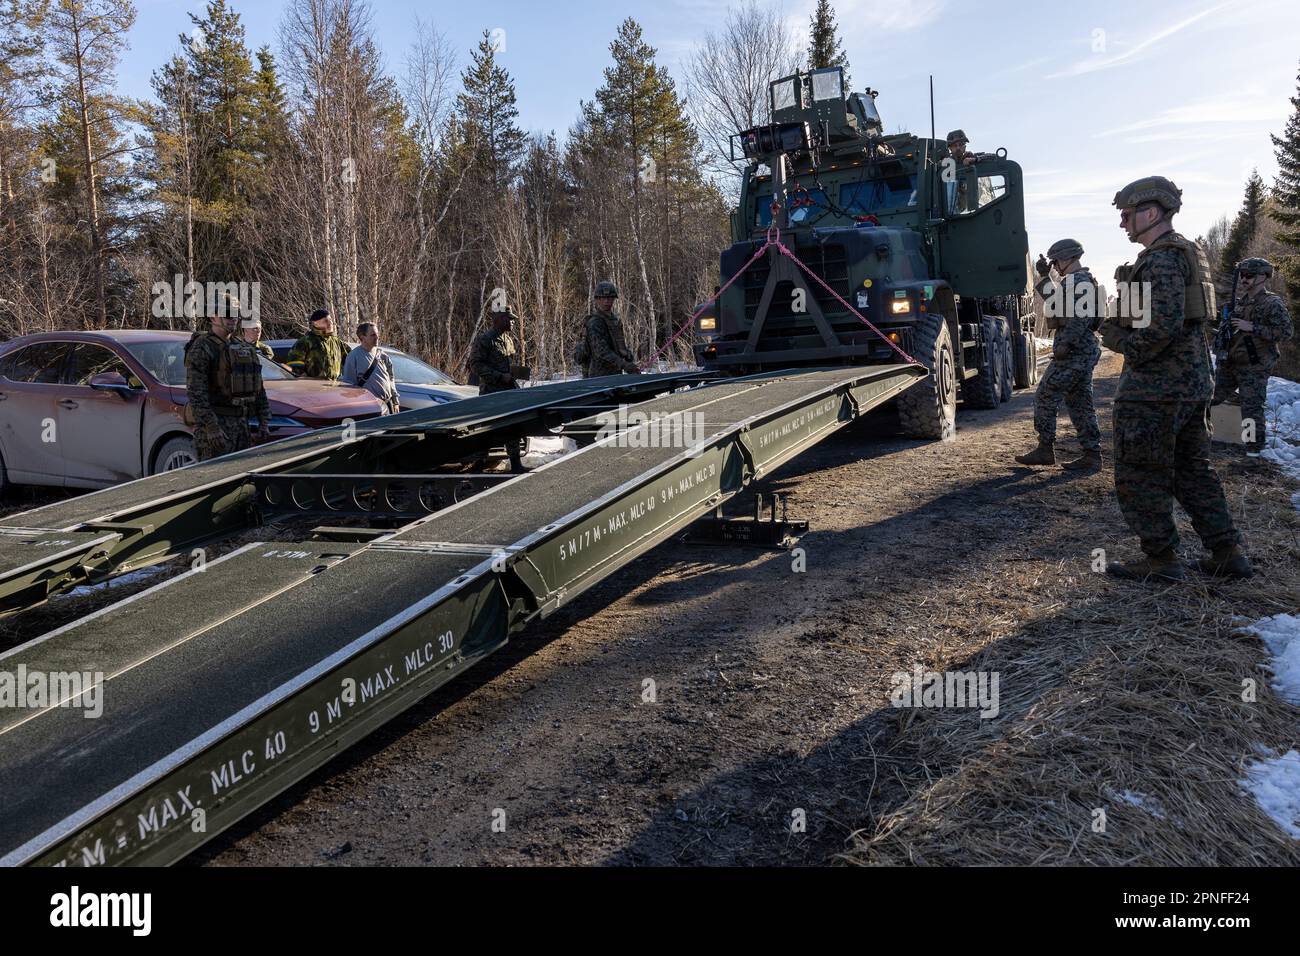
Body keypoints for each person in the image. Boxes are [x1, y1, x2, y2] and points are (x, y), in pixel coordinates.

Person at [1101, 175, 1250, 581]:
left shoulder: (1161, 259)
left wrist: (1118, 341)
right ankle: (1226, 551)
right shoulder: (1186, 253)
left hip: (1155, 390)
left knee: (1141, 473)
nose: (1123, 224)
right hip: (1189, 385)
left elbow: (1159, 327)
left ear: (1151, 213)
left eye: (1127, 215)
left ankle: (1161, 559)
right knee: (1191, 470)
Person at [1016, 239, 1102, 470]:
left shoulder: (1080, 281)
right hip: (1080, 351)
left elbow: (1081, 318)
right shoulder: (1073, 281)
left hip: (1075, 353)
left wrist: (1066, 344)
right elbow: (1056, 304)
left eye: (1055, 262)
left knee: (1045, 395)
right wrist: (1045, 277)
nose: (1055, 266)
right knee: (1079, 403)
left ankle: (1045, 448)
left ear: (1067, 258)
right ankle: (1092, 454)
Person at [1212, 257, 1294, 457]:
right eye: (1242, 275)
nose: (1244, 279)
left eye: (1249, 275)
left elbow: (1286, 332)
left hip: (1254, 366)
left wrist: (1253, 327)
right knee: (1210, 398)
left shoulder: (1271, 303)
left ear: (1263, 277)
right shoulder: (1240, 303)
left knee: (1251, 410)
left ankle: (1252, 452)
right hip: (1231, 363)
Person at [184, 310, 270, 462]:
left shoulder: (242, 347)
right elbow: (196, 392)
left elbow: (258, 387)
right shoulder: (202, 347)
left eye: (236, 315)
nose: (234, 319)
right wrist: (211, 426)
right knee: (215, 479)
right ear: (213, 317)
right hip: (217, 428)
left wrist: (264, 421)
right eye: (228, 315)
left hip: (242, 426)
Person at [468, 307, 528, 472]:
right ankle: (479, 464)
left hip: (507, 392)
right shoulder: (485, 339)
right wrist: (499, 376)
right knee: (487, 429)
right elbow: (475, 365)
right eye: (510, 319)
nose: (513, 322)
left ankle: (515, 463)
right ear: (499, 319)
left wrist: (515, 373)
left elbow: (508, 363)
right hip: (490, 392)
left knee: (512, 426)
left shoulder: (507, 340)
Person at [581, 281, 638, 377]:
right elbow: (601, 351)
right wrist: (624, 365)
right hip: (597, 376)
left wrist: (627, 355)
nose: (607, 301)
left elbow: (618, 346)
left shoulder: (614, 321)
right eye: (603, 298)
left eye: (610, 298)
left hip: (614, 373)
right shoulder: (594, 322)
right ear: (597, 300)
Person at [342, 322, 400, 415]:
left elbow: (391, 379)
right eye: (373, 335)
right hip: (368, 406)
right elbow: (349, 385)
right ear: (362, 337)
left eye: (377, 334)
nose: (377, 337)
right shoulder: (353, 356)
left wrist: (395, 401)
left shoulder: (382, 355)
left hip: (388, 404)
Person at [287, 308, 346, 380]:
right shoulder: (305, 342)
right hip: (314, 388)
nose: (330, 323)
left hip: (334, 387)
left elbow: (350, 360)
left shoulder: (336, 341)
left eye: (331, 320)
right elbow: (294, 368)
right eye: (326, 321)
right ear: (315, 323)